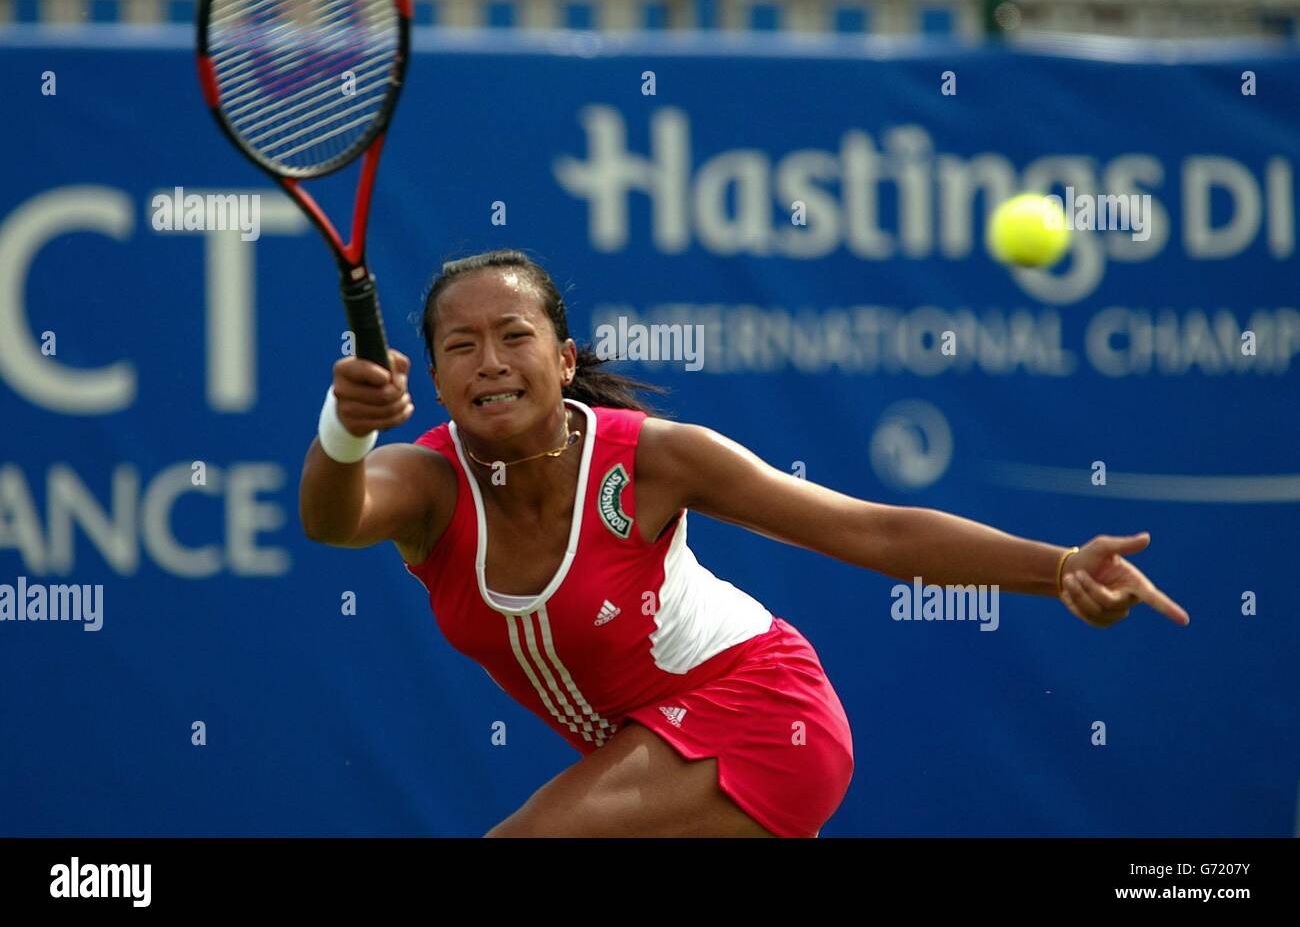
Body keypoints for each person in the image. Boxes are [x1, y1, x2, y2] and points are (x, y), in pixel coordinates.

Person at [299, 249, 1190, 838]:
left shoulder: (656, 459)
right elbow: (331, 519)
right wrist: (345, 428)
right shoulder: (428, 484)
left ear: (564, 359)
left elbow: (868, 530)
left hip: (765, 715)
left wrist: (1061, 567)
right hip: (651, 756)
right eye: (461, 345)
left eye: (514, 336)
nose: (489, 360)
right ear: (438, 379)